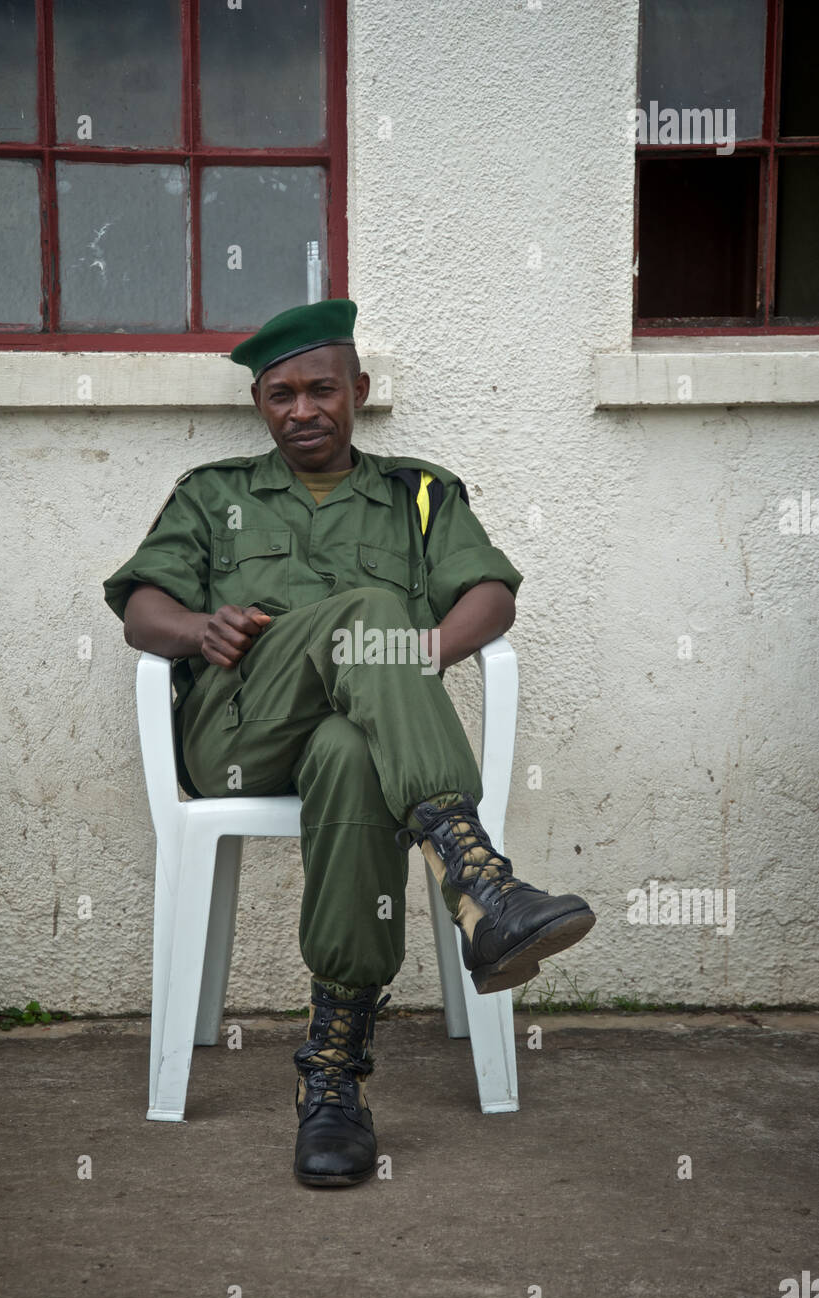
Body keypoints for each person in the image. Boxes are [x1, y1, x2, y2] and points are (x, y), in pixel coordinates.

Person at [103, 299, 596, 1187]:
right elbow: (143, 609)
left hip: (367, 741)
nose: (301, 411)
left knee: (350, 750)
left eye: (320, 390)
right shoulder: (212, 495)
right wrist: (194, 630)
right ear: (260, 404)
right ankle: (475, 874)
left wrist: (418, 661)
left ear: (358, 391)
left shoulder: (419, 492)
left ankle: (332, 1077)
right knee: (371, 618)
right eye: (280, 395)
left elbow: (489, 597)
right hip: (238, 731)